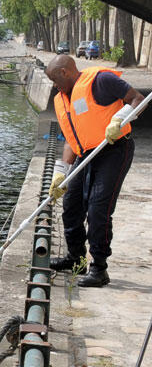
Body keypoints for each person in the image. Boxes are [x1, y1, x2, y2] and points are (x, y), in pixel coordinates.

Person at [44, 54, 143, 287]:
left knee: (98, 207)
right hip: (85, 154)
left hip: (114, 149)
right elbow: (71, 140)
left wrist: (119, 119)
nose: (54, 86)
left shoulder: (101, 81)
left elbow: (137, 99)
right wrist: (61, 172)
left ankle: (99, 267)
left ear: (64, 72)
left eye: (55, 80)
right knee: (71, 204)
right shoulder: (62, 99)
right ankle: (76, 259)